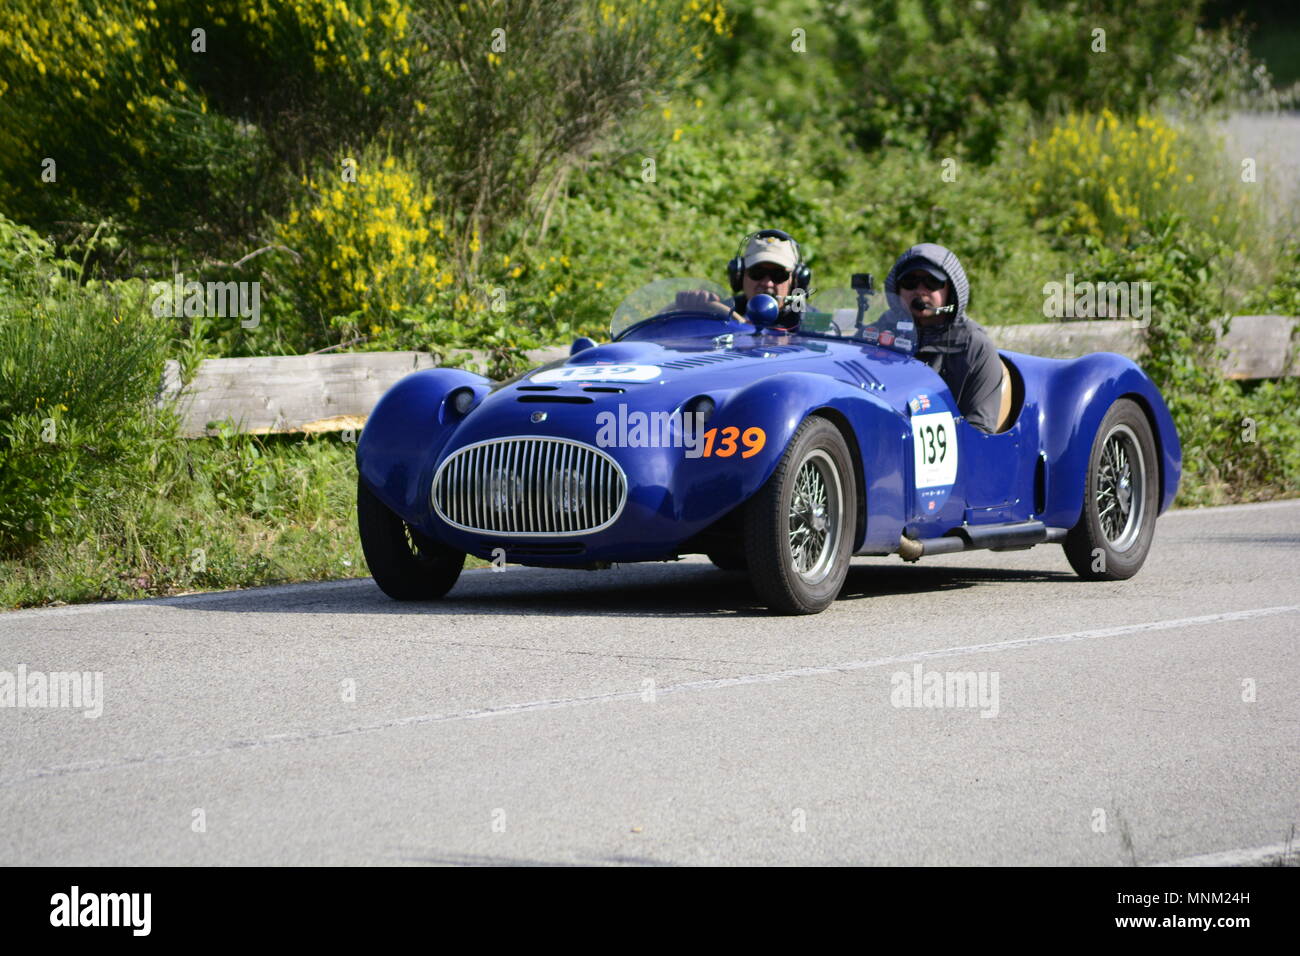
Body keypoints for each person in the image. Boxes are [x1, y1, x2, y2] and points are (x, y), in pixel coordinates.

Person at [884, 243, 1003, 433]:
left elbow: (981, 429)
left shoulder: (973, 346)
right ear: (897, 289)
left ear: (951, 290)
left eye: (932, 282)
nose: (920, 290)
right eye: (909, 281)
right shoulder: (879, 333)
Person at [674, 229, 811, 331]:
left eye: (778, 275)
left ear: (796, 281)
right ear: (739, 276)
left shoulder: (810, 323)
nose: (767, 283)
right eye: (757, 273)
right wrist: (692, 308)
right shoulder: (720, 312)